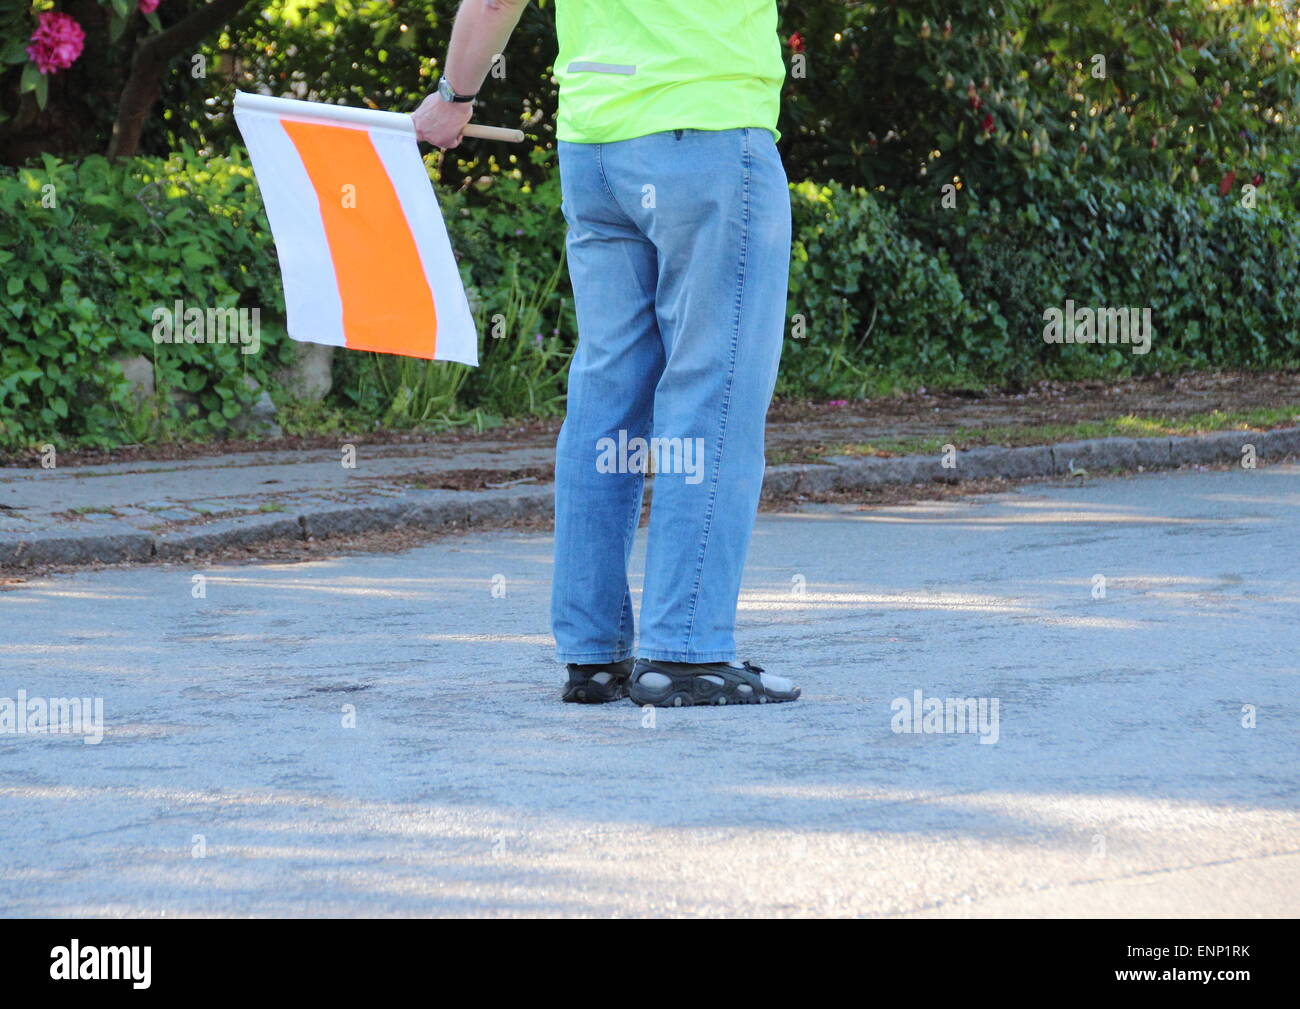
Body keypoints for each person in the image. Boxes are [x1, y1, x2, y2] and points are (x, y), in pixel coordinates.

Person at [414, 0, 801, 707]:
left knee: (607, 392)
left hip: (595, 147)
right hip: (706, 129)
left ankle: (593, 656)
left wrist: (453, 97)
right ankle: (684, 652)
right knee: (712, 387)